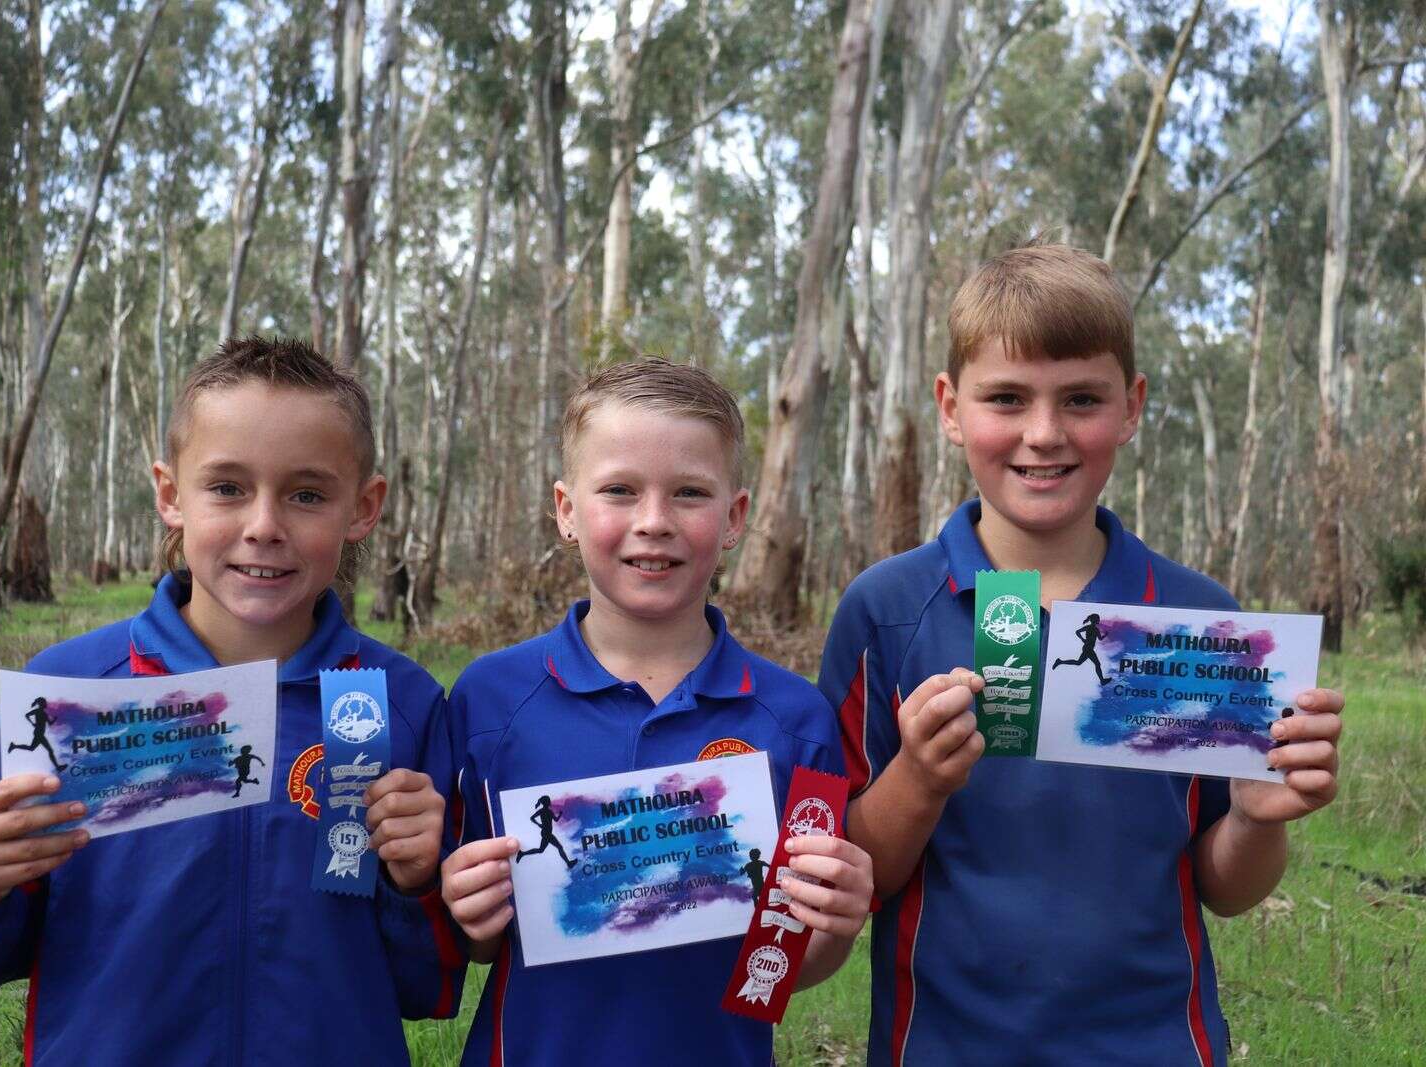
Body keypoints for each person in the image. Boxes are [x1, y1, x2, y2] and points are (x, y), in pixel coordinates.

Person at [820, 242, 1345, 1065]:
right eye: (1006, 397)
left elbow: (1226, 889)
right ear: (950, 407)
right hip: (944, 1047)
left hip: (1157, 1045)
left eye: (1081, 399)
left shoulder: (1203, 623)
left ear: (1131, 407)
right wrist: (917, 779)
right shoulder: (884, 614)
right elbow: (849, 876)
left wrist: (1254, 817)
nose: (1043, 433)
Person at [0, 336, 464, 1065]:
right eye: (226, 487)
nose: (264, 525)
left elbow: (429, 988)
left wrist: (417, 883)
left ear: (364, 506)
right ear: (170, 495)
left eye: (307, 494)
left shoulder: (401, 705)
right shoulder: (71, 696)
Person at [440, 359, 874, 1066]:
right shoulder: (489, 700)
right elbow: (476, 942)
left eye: (689, 493)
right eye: (619, 490)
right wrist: (466, 907)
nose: (653, 522)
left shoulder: (796, 721)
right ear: (566, 510)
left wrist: (837, 921)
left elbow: (786, 967)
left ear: (734, 517)